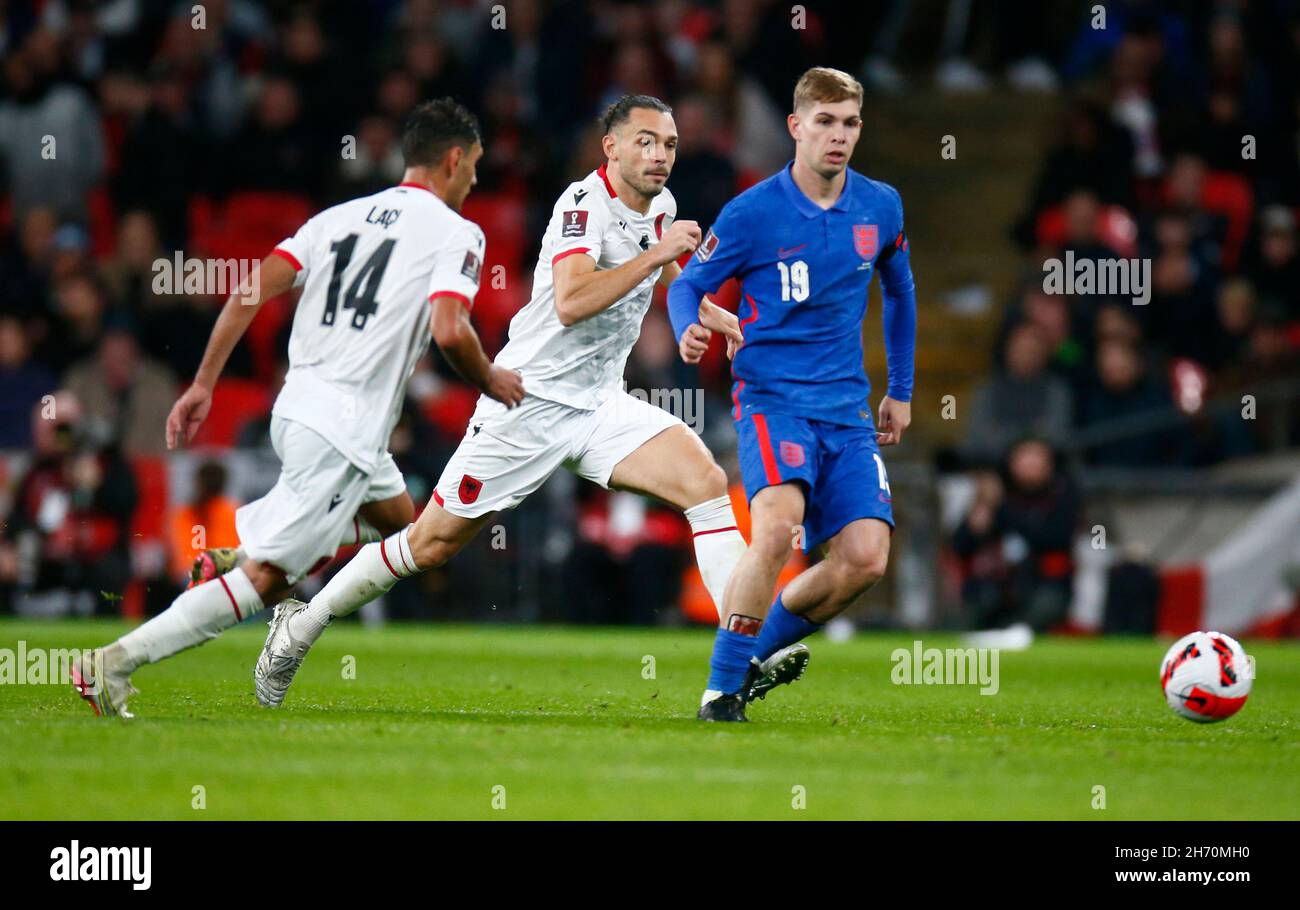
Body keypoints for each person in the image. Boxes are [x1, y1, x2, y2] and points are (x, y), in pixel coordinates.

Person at [253, 95, 804, 710]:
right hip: (527, 403)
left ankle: (740, 654)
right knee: (429, 543)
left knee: (704, 481)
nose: (659, 155)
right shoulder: (581, 205)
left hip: (598, 406)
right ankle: (302, 623)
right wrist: (659, 253)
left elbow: (667, 272)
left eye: (669, 144)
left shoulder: (663, 209)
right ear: (612, 147)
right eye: (645, 141)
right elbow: (571, 300)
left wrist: (708, 310)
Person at [72, 98, 500, 717]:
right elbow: (453, 331)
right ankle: (111, 664)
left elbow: (248, 290)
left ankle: (245, 552)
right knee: (268, 582)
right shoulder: (458, 232)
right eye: (476, 166)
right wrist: (494, 382)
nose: (477, 180)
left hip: (301, 409)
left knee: (404, 524)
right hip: (343, 430)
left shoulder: (336, 218)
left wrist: (202, 384)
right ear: (455, 159)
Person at [668, 67, 917, 721]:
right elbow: (686, 286)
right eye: (825, 122)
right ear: (796, 127)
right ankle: (720, 693)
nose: (838, 136)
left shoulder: (881, 205)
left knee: (864, 559)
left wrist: (902, 389)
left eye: (850, 123)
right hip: (773, 400)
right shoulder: (754, 212)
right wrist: (689, 328)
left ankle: (749, 660)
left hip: (849, 412)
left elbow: (900, 289)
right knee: (777, 527)